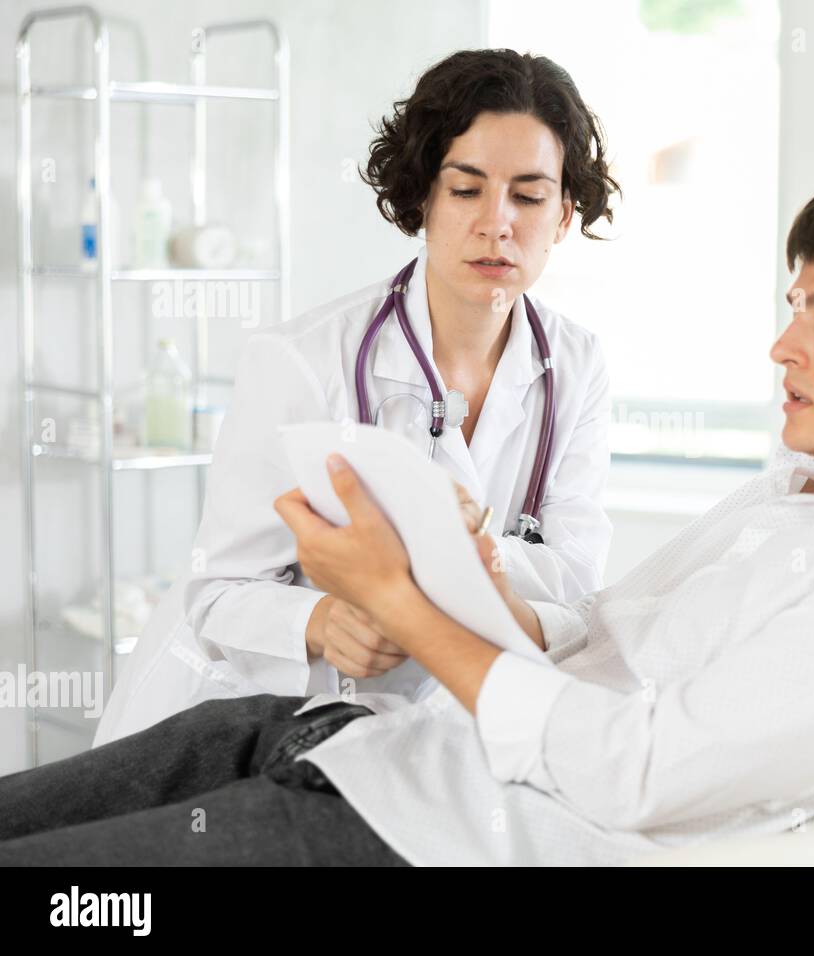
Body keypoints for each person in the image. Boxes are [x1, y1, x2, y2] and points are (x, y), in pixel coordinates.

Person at [2, 167, 814, 865]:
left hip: (417, 833)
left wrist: (400, 603)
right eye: (794, 308)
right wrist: (473, 574)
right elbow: (598, 628)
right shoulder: (791, 497)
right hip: (354, 741)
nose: (782, 347)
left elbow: (639, 772)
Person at [94, 49, 621, 745]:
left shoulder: (576, 366)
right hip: (245, 719)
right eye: (465, 190)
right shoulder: (303, 361)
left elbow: (576, 588)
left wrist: (443, 548)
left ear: (562, 217)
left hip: (434, 729)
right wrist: (317, 624)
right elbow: (215, 593)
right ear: (422, 200)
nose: (497, 222)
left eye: (528, 195)